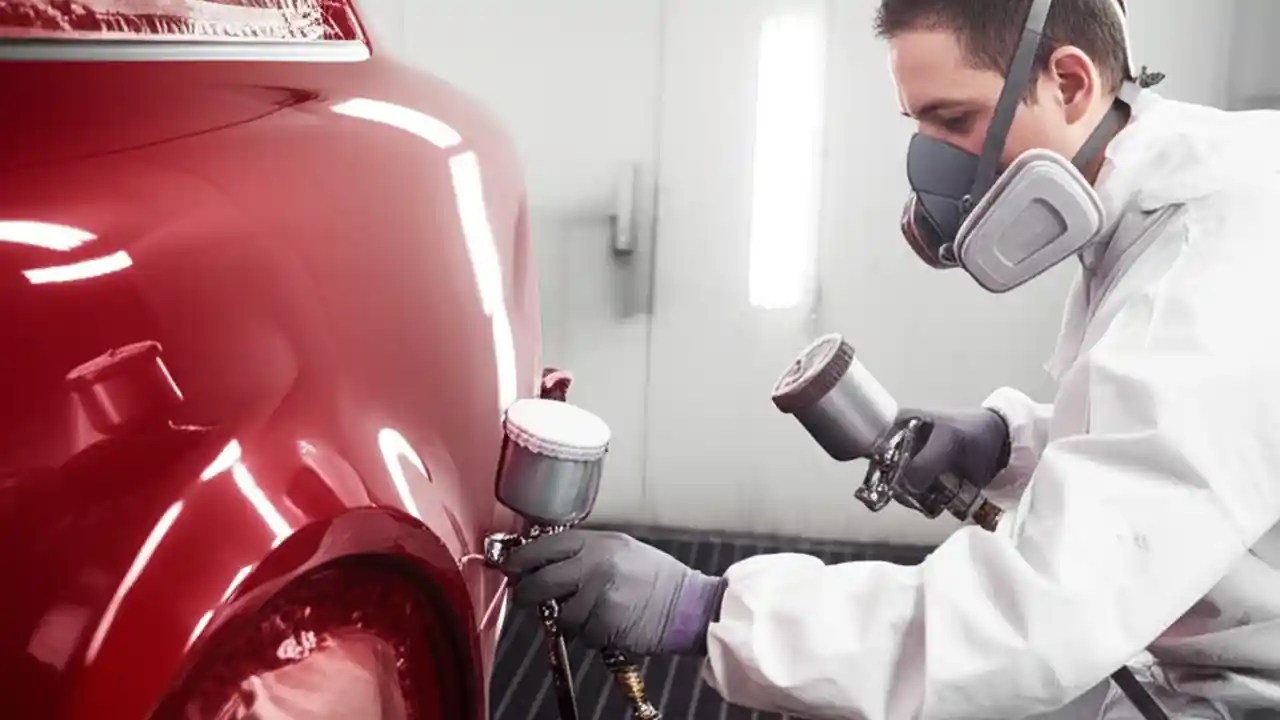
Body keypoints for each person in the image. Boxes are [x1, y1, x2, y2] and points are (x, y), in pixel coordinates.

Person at [501, 0, 1280, 717]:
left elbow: (1039, 614)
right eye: (921, 127)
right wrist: (1007, 444)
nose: (936, 172)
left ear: (1069, 83)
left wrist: (710, 612)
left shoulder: (1213, 257)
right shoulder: (1175, 208)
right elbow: (1178, 443)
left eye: (955, 120)